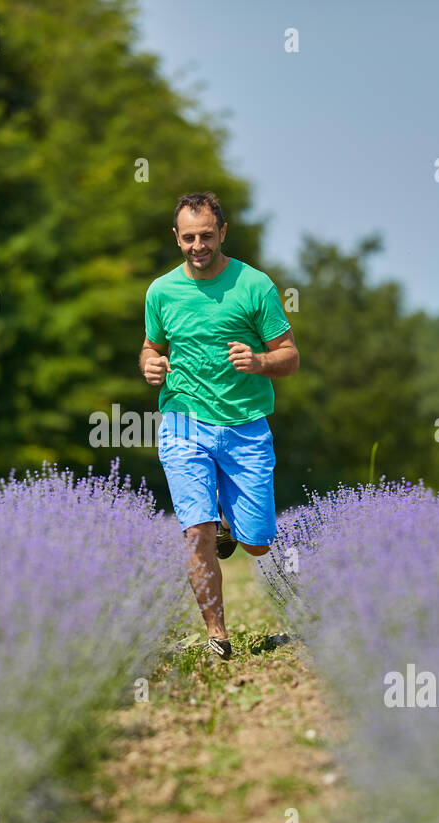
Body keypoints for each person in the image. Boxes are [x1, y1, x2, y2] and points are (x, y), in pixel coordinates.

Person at [140, 191, 299, 661]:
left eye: (206, 235)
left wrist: (260, 360)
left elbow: (290, 357)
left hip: (246, 426)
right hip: (183, 422)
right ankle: (217, 634)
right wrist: (150, 365)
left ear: (222, 233)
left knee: (258, 544)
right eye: (188, 237)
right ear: (176, 238)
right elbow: (150, 347)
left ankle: (233, 524)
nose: (197, 245)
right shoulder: (161, 291)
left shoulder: (255, 286)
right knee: (196, 531)